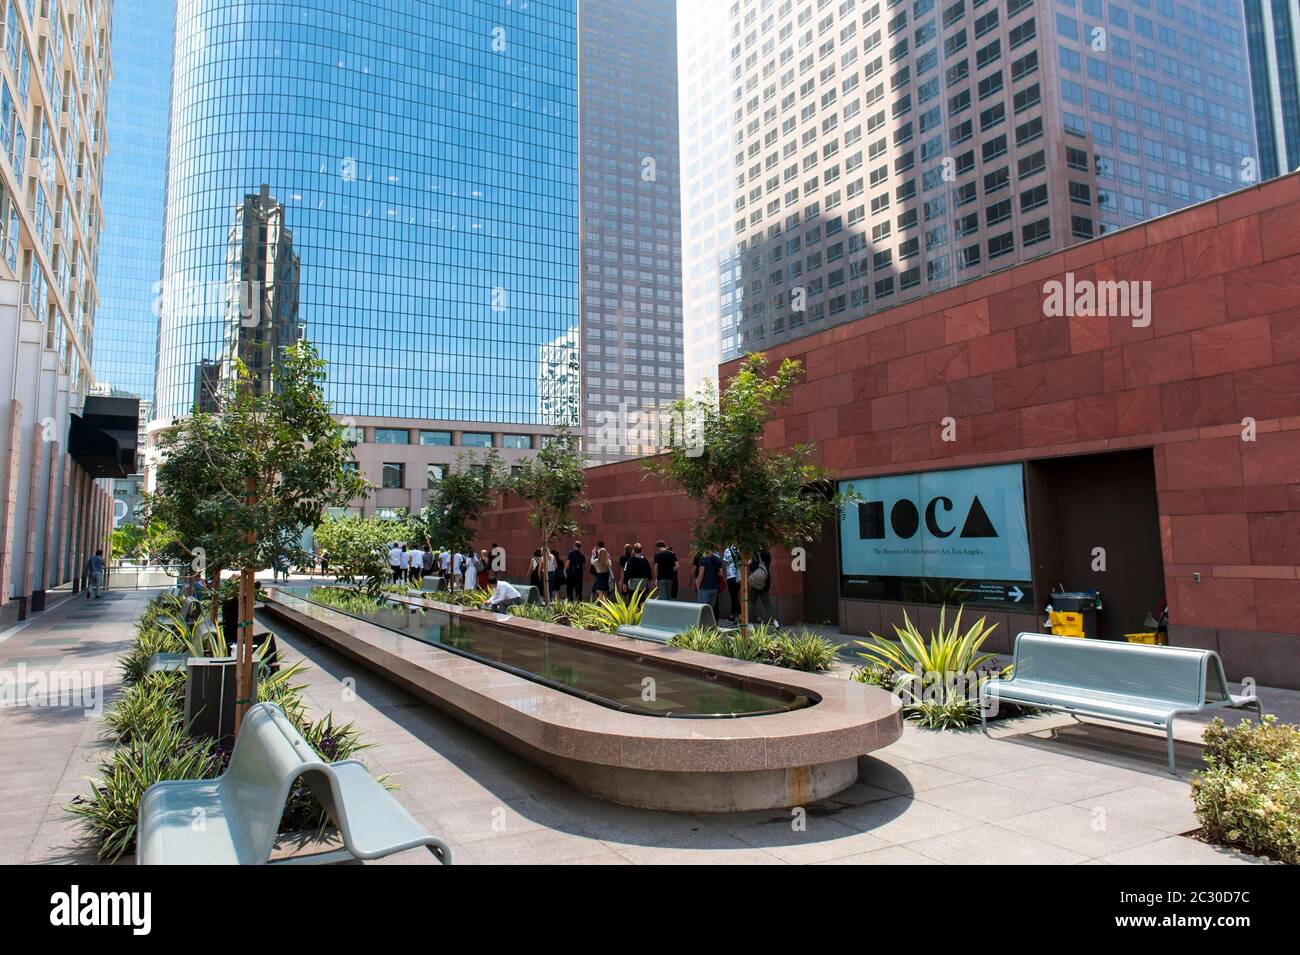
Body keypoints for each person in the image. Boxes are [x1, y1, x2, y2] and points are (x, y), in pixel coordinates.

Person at [748, 547, 777, 626]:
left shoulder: (757, 553)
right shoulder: (767, 554)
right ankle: (775, 622)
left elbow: (754, 567)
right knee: (767, 603)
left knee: (752, 601)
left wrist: (750, 563)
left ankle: (750, 622)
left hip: (757, 581)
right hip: (766, 580)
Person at [693, 548, 723, 618]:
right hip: (715, 587)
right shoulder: (718, 558)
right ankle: (712, 625)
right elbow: (720, 574)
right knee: (711, 609)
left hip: (704, 587)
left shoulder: (703, 559)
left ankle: (703, 626)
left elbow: (701, 574)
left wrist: (697, 584)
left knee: (702, 608)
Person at [722, 545, 742, 623]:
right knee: (735, 596)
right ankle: (732, 615)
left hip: (730, 576)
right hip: (739, 577)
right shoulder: (740, 550)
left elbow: (725, 563)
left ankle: (740, 615)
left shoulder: (727, 550)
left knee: (733, 597)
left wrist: (724, 570)